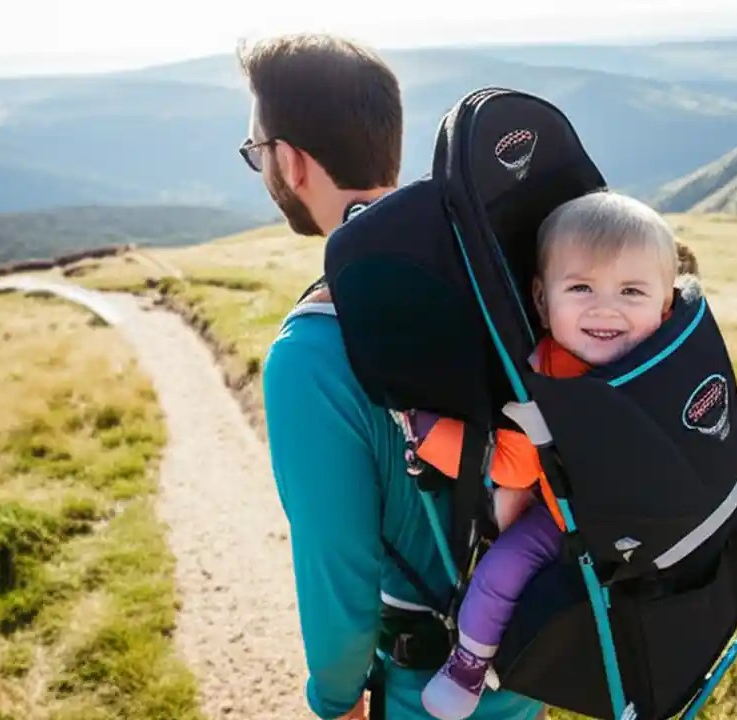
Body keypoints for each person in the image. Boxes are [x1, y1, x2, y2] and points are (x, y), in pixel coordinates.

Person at [243, 34, 545, 720]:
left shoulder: (311, 354)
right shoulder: (498, 276)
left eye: (256, 152)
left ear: (289, 161)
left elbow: (338, 575)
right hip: (532, 665)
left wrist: (335, 698)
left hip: (425, 696)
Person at [414, 192, 691, 720]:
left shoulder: (557, 382)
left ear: (665, 304)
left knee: (501, 570)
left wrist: (424, 432)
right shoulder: (646, 357)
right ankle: (475, 660)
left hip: (596, 522)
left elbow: (507, 462)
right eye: (581, 287)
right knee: (508, 559)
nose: (605, 308)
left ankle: (468, 665)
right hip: (595, 511)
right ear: (541, 301)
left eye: (631, 290)